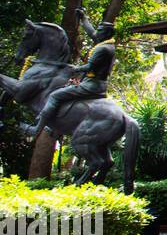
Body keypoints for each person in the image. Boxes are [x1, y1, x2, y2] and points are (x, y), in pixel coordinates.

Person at [23, 8, 115, 141]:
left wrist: (73, 69)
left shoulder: (104, 49)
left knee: (55, 95)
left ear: (106, 34)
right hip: (91, 82)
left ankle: (36, 130)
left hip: (93, 84)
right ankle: (54, 126)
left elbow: (89, 67)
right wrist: (84, 19)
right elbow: (93, 33)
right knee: (65, 90)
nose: (97, 33)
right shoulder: (105, 43)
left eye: (100, 31)